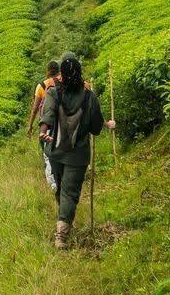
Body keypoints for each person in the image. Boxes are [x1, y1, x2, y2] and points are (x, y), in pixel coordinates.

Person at [38, 52, 115, 249]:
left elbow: (47, 114)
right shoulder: (89, 97)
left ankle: (62, 221)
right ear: (80, 73)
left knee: (62, 188)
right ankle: (61, 236)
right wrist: (106, 124)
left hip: (54, 149)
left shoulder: (54, 92)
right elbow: (96, 128)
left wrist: (43, 132)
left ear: (61, 74)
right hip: (77, 155)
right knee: (70, 193)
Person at [26, 60, 60, 140]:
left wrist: (30, 126)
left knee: (45, 146)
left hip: (46, 124)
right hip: (62, 121)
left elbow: (35, 109)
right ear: (58, 71)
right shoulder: (63, 82)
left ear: (47, 71)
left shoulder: (41, 86)